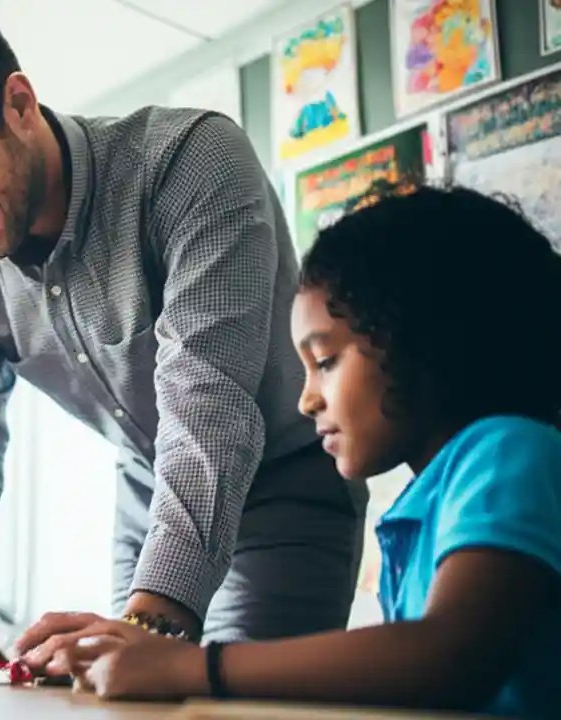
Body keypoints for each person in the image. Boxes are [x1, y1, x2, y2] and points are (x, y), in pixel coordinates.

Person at [0, 0, 364, 669]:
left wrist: (152, 626)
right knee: (123, 696)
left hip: (284, 484)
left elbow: (207, 404)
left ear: (19, 103)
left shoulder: (191, 164)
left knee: (221, 699)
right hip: (150, 490)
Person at [55, 186, 561, 718]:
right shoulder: (433, 497)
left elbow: (448, 656)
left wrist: (188, 667)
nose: (306, 399)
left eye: (326, 361)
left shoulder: (512, 451)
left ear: (425, 341)